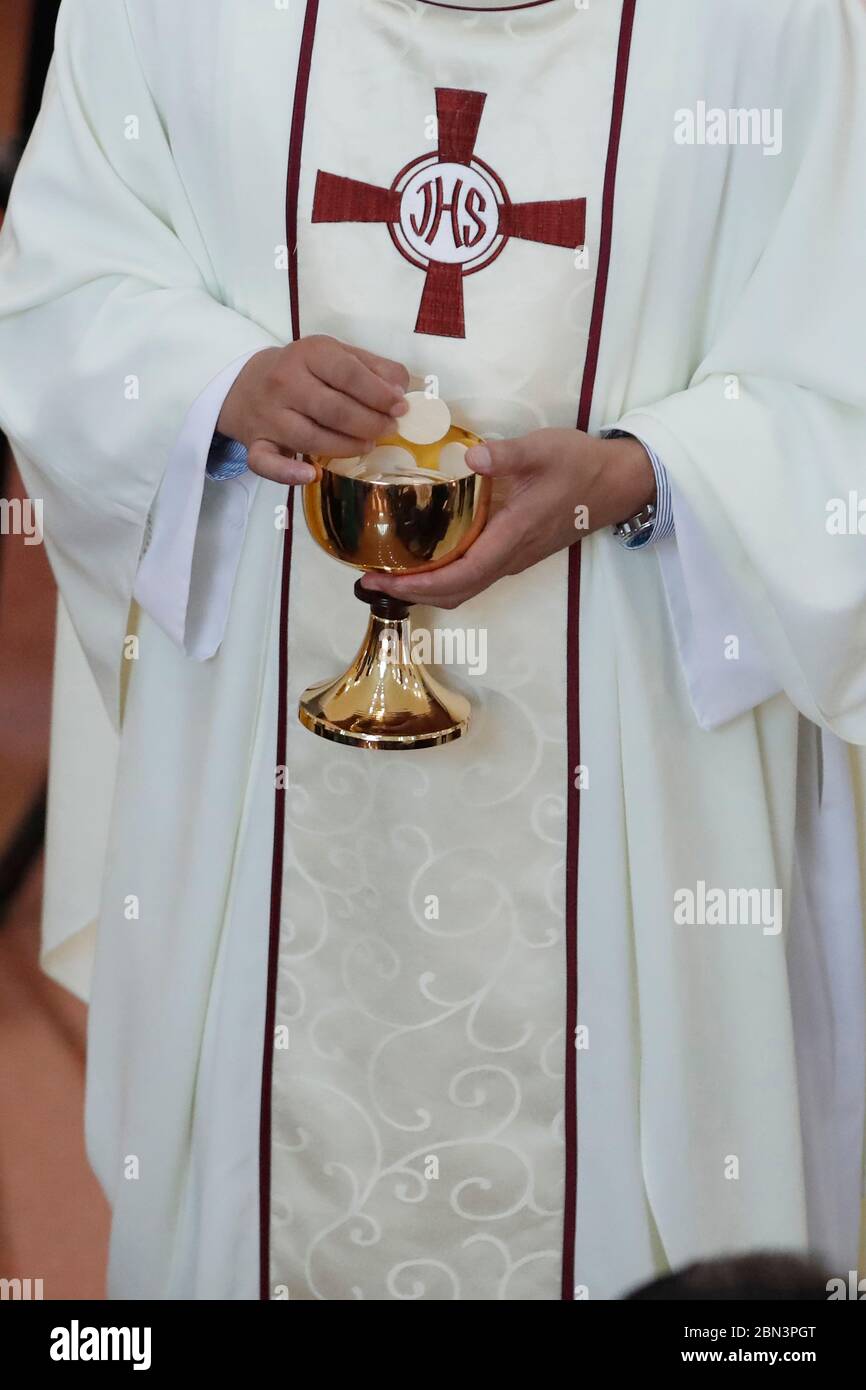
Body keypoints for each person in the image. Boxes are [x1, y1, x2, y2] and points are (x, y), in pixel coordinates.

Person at [0, 0, 864, 1301]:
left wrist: (643, 473)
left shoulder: (779, 28)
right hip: (262, 744)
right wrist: (210, 385)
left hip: (644, 745)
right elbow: (58, 292)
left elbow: (836, 385)